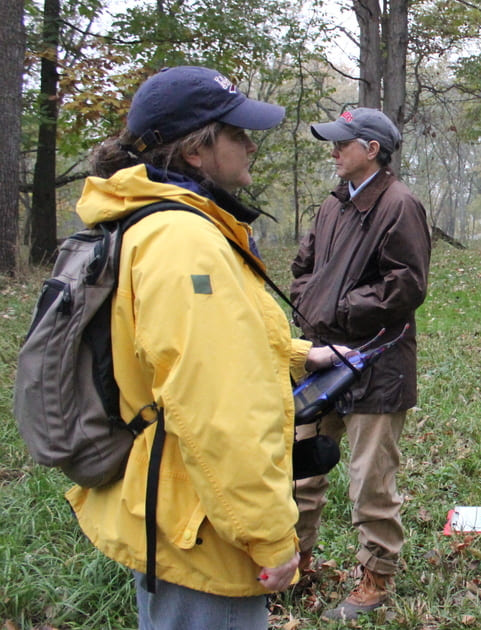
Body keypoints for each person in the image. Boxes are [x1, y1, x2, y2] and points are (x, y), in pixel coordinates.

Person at [66, 66, 348, 629]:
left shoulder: (153, 225)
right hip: (200, 526)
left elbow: (187, 349)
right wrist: (270, 538)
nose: (250, 145)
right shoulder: (186, 244)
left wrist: (296, 356)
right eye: (236, 132)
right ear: (197, 151)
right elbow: (220, 415)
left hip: (171, 507)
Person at [289, 107, 431, 620]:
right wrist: (317, 310)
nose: (333, 150)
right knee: (300, 470)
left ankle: (375, 577)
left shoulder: (400, 205)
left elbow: (406, 286)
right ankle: (295, 562)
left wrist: (337, 310)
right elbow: (302, 270)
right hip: (320, 357)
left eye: (342, 143)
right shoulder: (331, 206)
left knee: (370, 479)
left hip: (378, 363)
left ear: (372, 149)